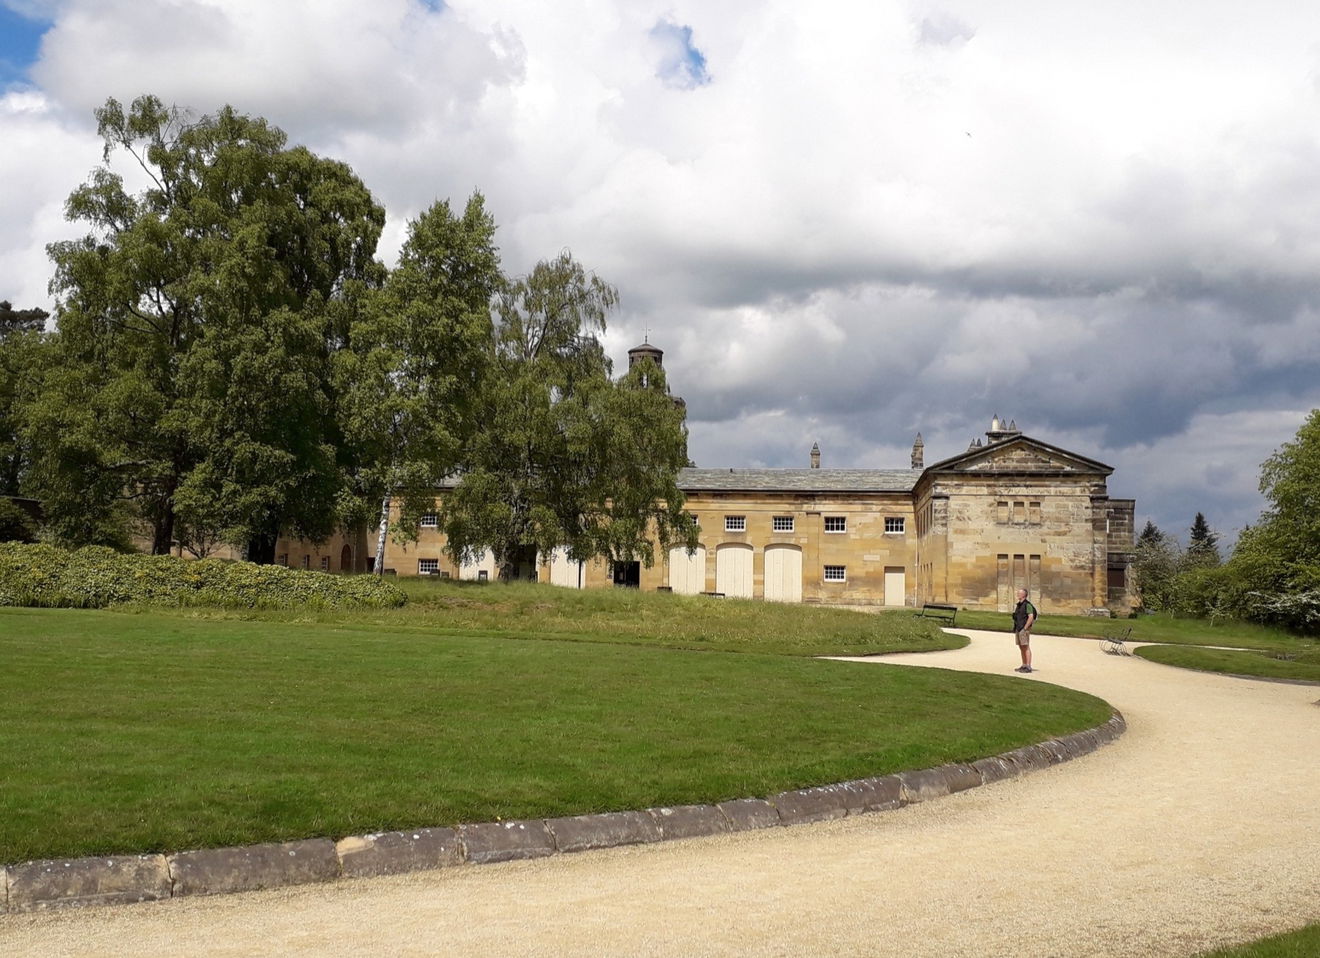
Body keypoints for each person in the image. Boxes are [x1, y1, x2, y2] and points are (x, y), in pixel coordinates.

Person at [1011, 588, 1037, 673]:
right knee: (1021, 647)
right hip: (1018, 628)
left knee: (1026, 647)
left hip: (1023, 629)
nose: (1017, 594)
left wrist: (1025, 628)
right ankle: (1024, 664)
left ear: (1024, 595)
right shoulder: (1019, 605)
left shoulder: (1027, 605)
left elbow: (1031, 617)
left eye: (1019, 593)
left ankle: (1028, 666)